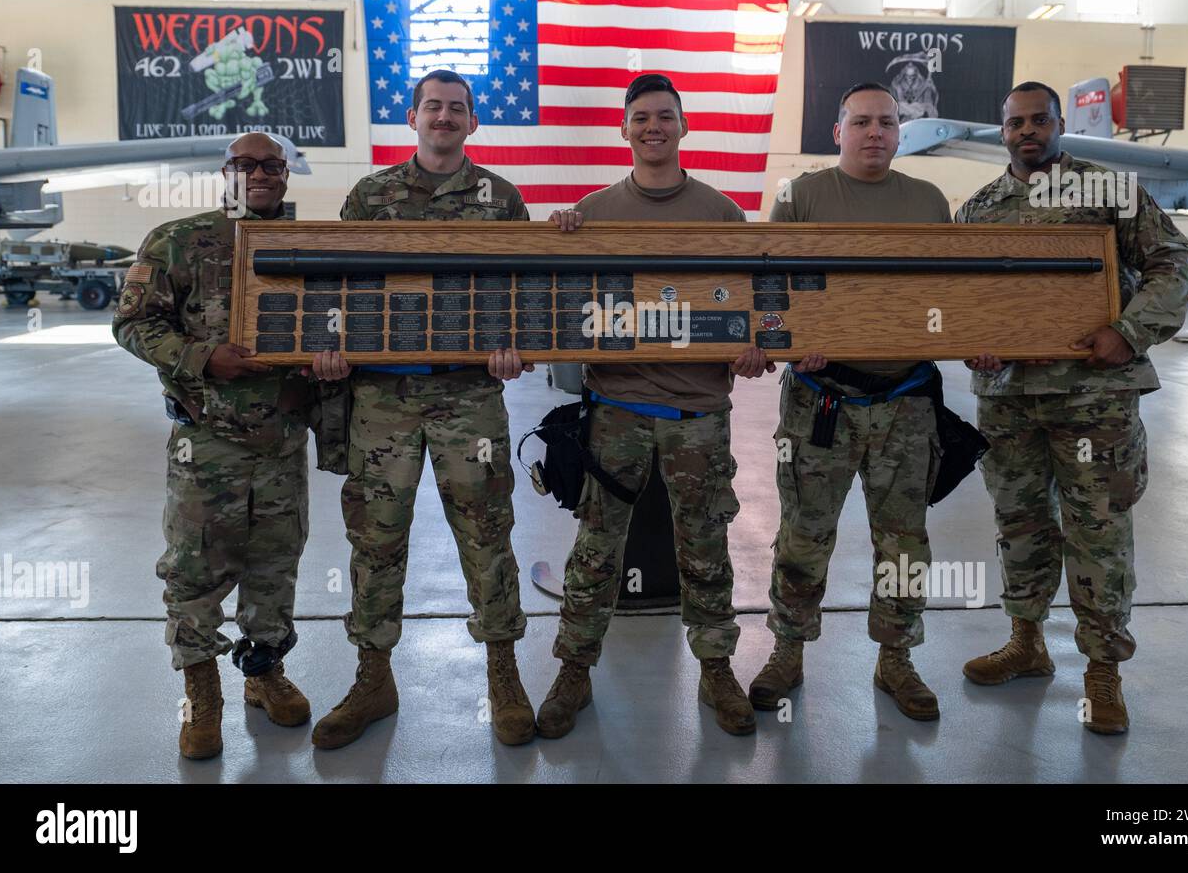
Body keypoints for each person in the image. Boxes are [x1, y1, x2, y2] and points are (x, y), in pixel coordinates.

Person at [535, 73, 772, 739]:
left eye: (665, 116)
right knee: (595, 551)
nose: (653, 127)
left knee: (705, 549)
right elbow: (564, 303)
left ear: (683, 126)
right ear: (625, 129)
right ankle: (574, 670)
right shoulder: (592, 213)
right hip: (617, 409)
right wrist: (561, 236)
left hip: (699, 414)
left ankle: (717, 668)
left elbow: (750, 305)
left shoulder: (722, 214)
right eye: (641, 117)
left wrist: (752, 348)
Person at [955, 81, 1188, 734]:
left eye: (1039, 120)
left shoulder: (1108, 192)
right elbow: (958, 300)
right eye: (1015, 123)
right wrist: (972, 344)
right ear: (1001, 131)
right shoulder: (977, 210)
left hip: (1095, 397)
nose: (1027, 131)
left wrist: (1130, 331)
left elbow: (1173, 262)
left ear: (1060, 124)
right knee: (1021, 524)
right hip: (1008, 401)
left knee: (1099, 530)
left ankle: (1103, 673)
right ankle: (1026, 643)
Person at [312, 69, 537, 750]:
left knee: (486, 535)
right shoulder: (370, 195)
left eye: (457, 109)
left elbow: (522, 296)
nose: (444, 117)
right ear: (412, 117)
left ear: (472, 122)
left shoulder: (501, 199)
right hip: (381, 397)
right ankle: (373, 676)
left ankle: (503, 674)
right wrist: (332, 351)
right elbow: (341, 289)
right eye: (433, 107)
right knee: (375, 541)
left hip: (468, 395)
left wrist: (514, 348)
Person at [113, 132, 350, 760]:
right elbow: (132, 323)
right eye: (247, 165)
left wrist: (327, 368)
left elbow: (339, 322)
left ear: (286, 175)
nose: (261, 175)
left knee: (275, 563)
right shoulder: (179, 240)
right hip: (207, 441)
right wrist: (201, 358)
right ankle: (202, 692)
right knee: (195, 570)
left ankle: (264, 671)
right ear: (226, 173)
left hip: (281, 441)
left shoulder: (310, 245)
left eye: (273, 165)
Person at [750, 82, 952, 722]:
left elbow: (950, 296)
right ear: (837, 131)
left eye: (887, 123)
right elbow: (768, 291)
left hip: (906, 402)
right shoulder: (801, 196)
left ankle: (897, 658)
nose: (875, 133)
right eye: (861, 122)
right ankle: (788, 649)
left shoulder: (927, 201)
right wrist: (790, 349)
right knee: (804, 535)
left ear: (900, 131)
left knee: (904, 544)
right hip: (821, 400)